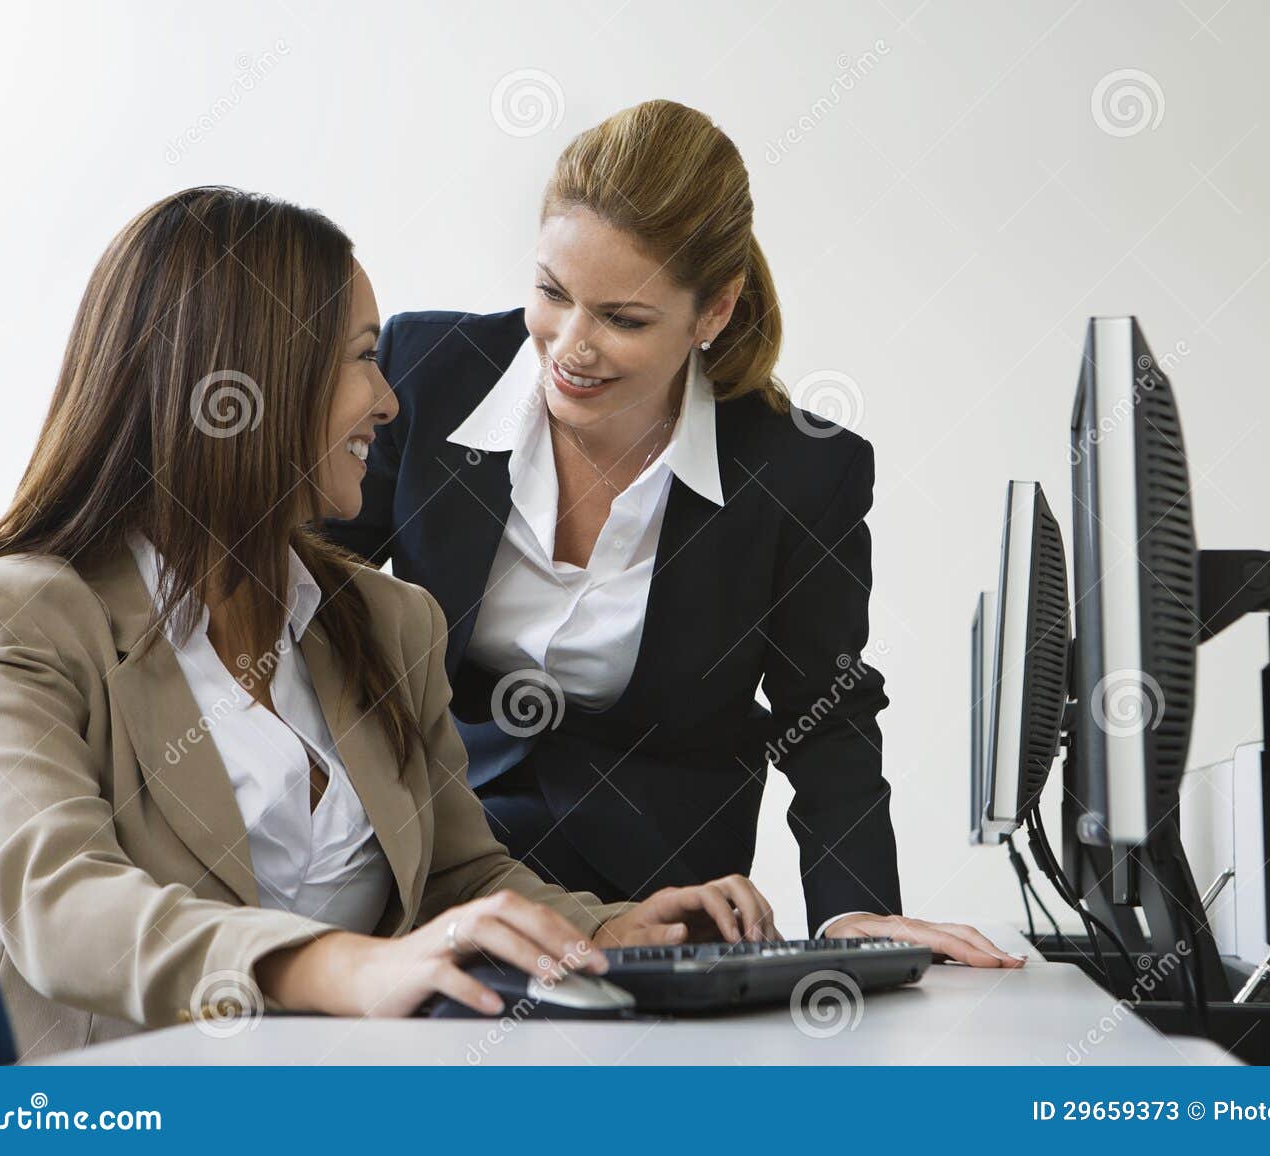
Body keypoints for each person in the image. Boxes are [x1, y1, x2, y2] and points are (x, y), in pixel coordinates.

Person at [0, 187, 784, 1061]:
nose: (390, 402)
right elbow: (61, 905)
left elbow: (458, 876)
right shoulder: (2, 621)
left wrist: (610, 930)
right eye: (362, 357)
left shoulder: (386, 622)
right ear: (249, 380)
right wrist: (343, 968)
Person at [311, 99, 1021, 963]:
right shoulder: (425, 373)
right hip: (435, 874)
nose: (570, 345)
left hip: (658, 901)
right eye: (552, 293)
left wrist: (854, 916)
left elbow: (825, 714)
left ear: (712, 314)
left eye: (623, 318)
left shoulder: (798, 472)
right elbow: (305, 598)